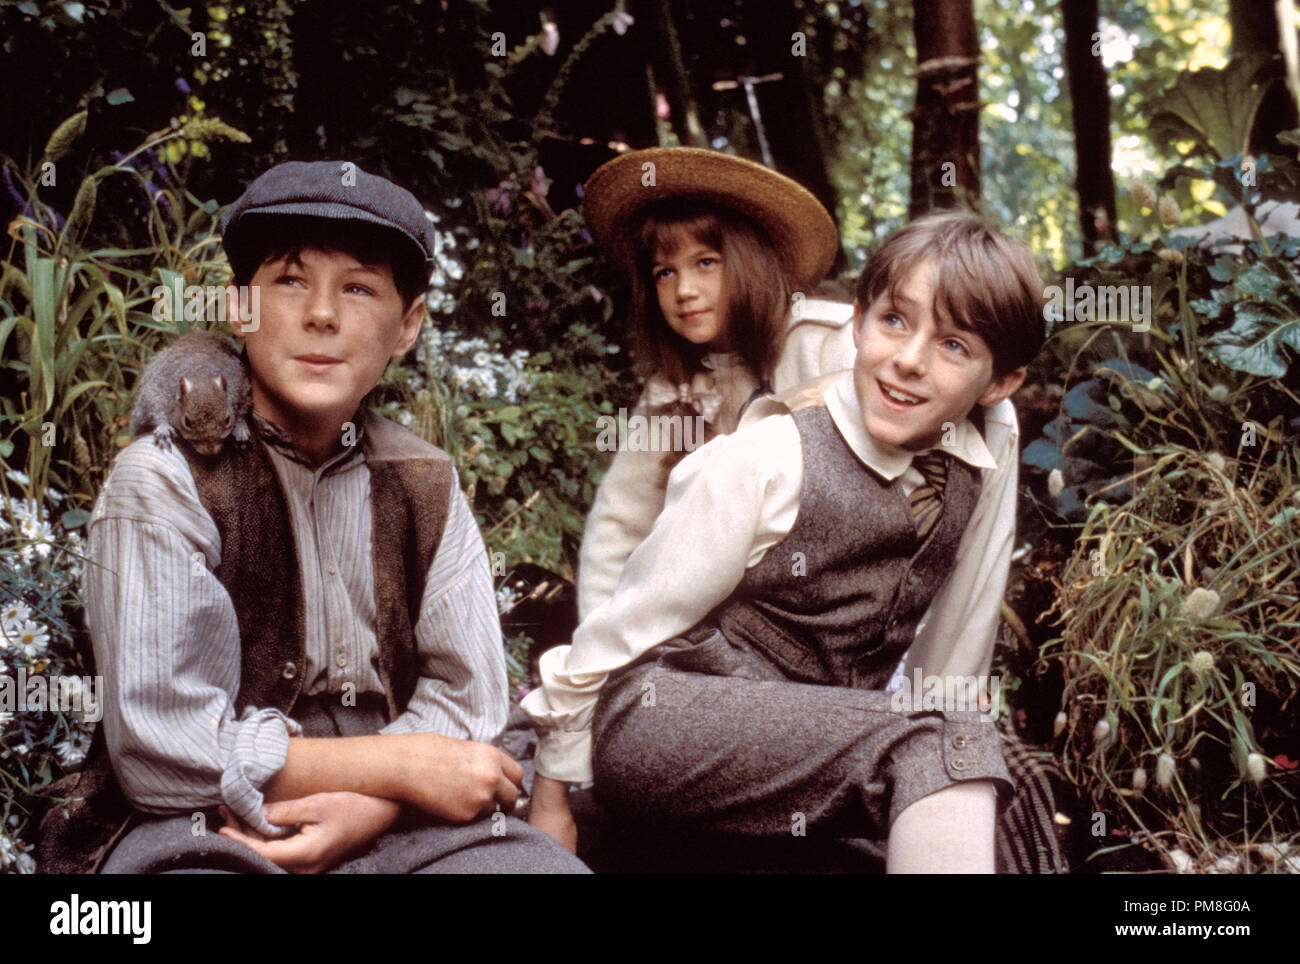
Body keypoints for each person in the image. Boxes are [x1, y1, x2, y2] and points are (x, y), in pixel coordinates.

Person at [41, 160, 588, 874]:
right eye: (290, 281)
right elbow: (160, 753)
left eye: (358, 287)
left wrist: (373, 804)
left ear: (408, 326)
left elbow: (470, 701)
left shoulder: (424, 482)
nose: (321, 314)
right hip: (206, 816)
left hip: (409, 813)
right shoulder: (165, 477)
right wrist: (393, 768)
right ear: (240, 305)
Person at [525, 211, 1043, 872]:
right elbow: (626, 615)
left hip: (804, 731)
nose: (910, 360)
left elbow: (958, 637)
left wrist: (945, 756)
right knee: (940, 746)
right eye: (894, 322)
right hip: (666, 712)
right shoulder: (769, 449)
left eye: (954, 346)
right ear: (857, 322)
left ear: (1000, 382)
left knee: (980, 773)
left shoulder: (981, 444)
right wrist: (553, 794)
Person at [572, 147, 855, 623]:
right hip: (715, 632)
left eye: (706, 262)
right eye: (665, 272)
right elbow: (616, 531)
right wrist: (599, 665)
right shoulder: (673, 390)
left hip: (834, 614)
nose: (684, 290)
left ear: (749, 261)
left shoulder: (822, 345)